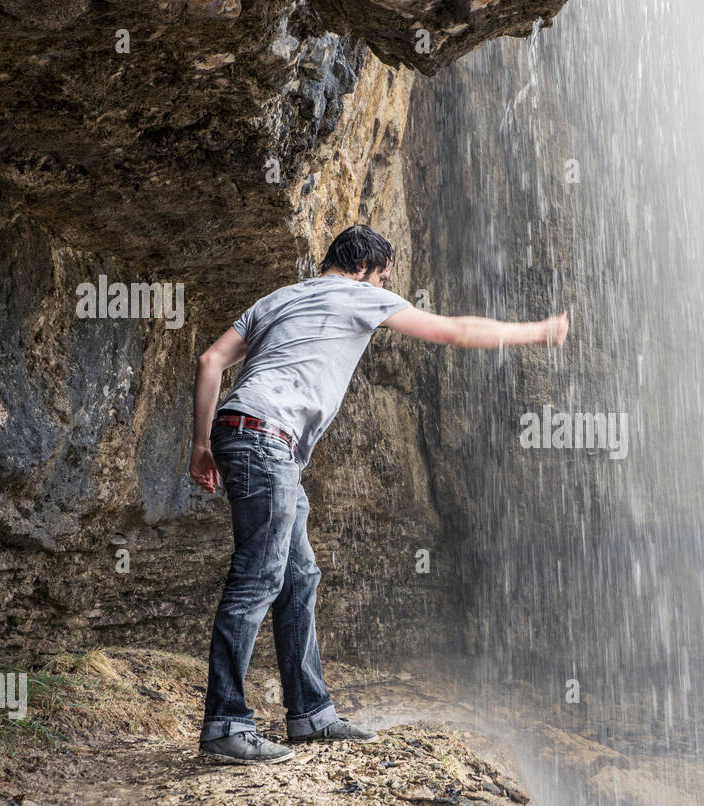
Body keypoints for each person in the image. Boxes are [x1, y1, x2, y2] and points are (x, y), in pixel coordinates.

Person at [188, 224, 568, 764]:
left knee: (298, 576)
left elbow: (210, 362)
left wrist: (201, 444)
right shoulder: (362, 294)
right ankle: (225, 723)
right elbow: (455, 331)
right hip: (267, 437)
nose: (385, 284)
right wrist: (536, 333)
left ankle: (310, 715)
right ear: (367, 268)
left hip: (242, 430)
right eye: (385, 275)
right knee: (259, 576)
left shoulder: (278, 298)